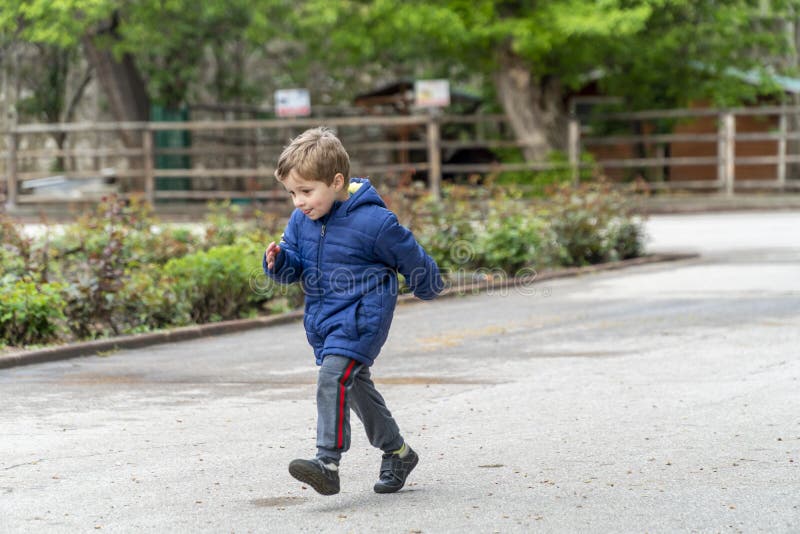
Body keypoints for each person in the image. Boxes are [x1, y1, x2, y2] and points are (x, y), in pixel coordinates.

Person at [263, 127, 443, 496]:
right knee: (355, 387)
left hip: (363, 319)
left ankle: (327, 462)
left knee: (333, 378)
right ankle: (398, 452)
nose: (298, 201)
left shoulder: (375, 222)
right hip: (325, 321)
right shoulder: (302, 220)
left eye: (306, 191)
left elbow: (411, 256)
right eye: (292, 193)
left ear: (337, 181)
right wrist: (280, 262)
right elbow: (296, 265)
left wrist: (429, 285)